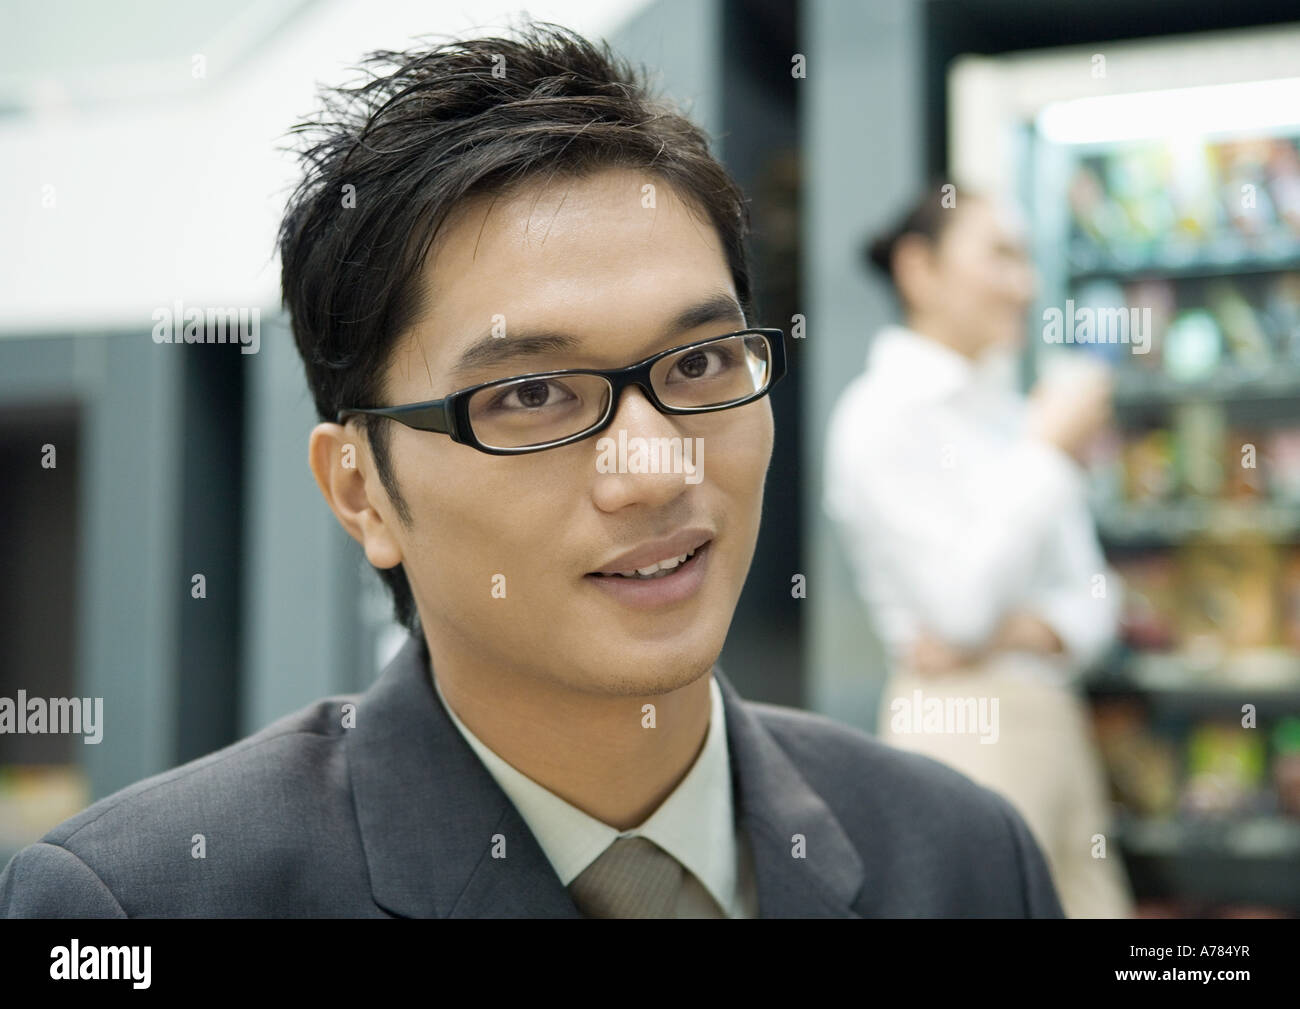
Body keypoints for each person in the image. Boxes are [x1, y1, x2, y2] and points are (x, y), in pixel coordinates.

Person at [0, 25, 1062, 918]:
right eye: (528, 395)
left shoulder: (963, 857)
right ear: (362, 491)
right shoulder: (146, 904)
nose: (652, 470)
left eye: (697, 363)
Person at [823, 186, 1135, 918]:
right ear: (918, 268)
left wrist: (1024, 630)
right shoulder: (880, 417)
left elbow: (1098, 603)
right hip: (964, 731)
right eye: (1000, 255)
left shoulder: (1006, 411)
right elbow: (960, 609)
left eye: (1025, 259)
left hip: (1054, 726)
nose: (1024, 283)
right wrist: (1049, 449)